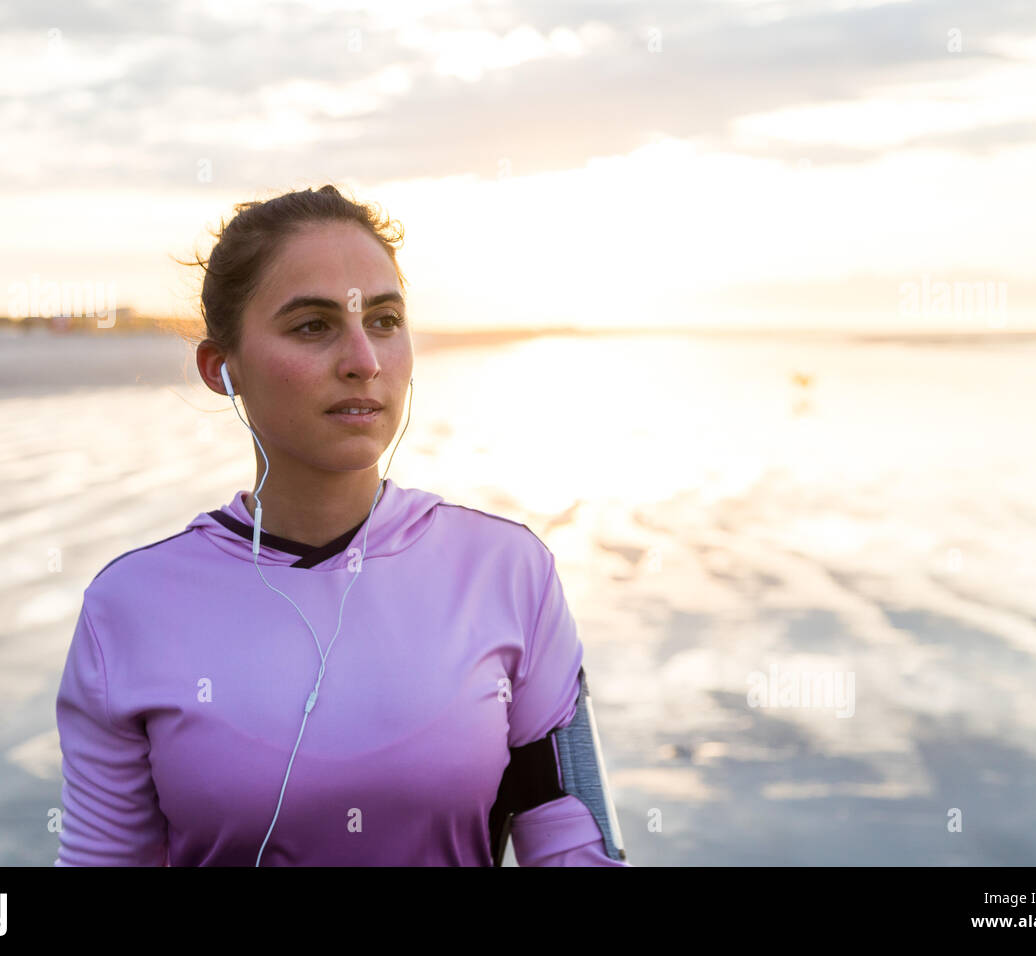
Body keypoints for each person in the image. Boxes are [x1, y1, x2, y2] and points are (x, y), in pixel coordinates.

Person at [54, 184, 629, 866]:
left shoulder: (508, 572)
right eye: (313, 326)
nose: (365, 360)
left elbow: (574, 842)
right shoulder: (130, 607)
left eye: (384, 321)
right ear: (222, 369)